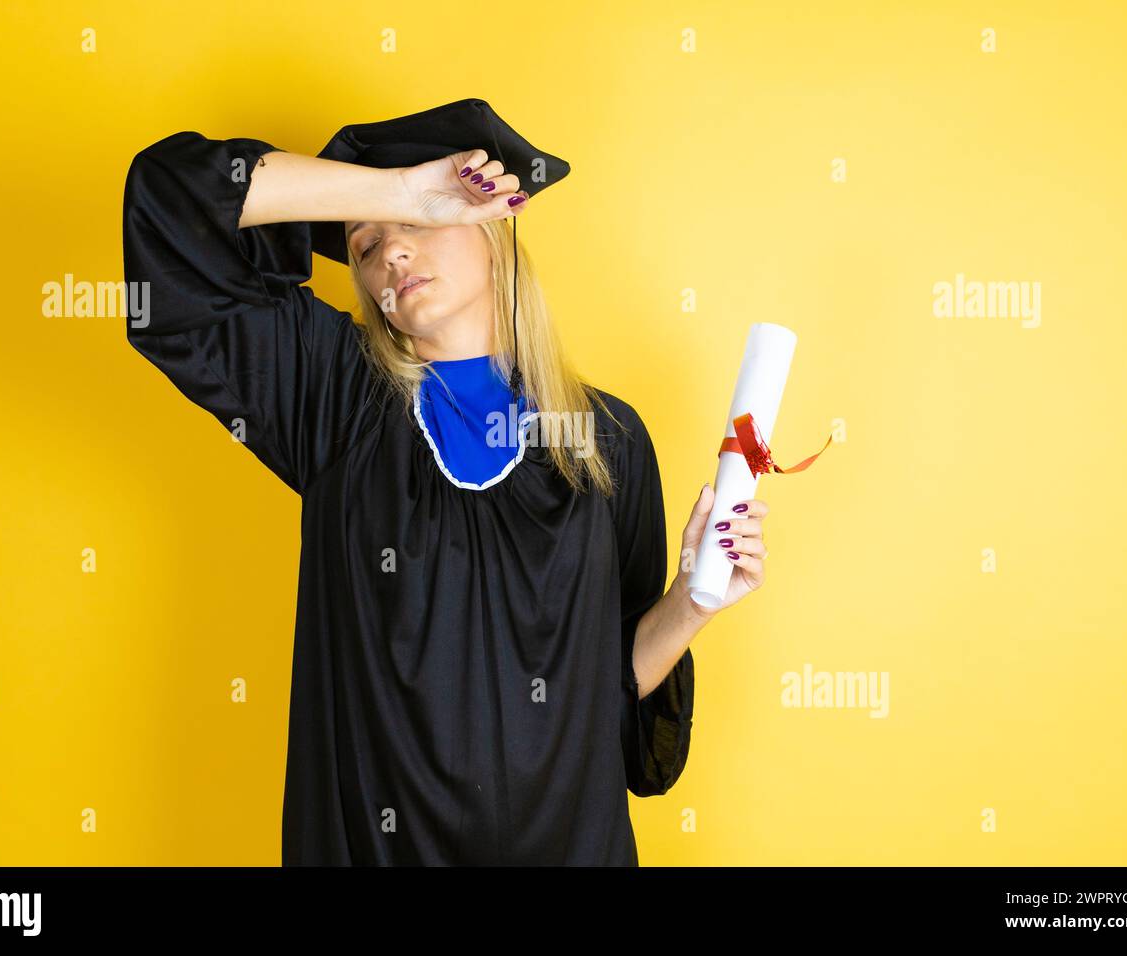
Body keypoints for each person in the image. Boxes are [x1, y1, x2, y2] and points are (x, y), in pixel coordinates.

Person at [120, 105, 770, 866]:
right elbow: (166, 197)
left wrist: (691, 602)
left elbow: (606, 697)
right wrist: (399, 195)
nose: (391, 251)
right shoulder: (333, 397)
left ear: (496, 233)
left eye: (424, 230)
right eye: (365, 246)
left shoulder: (605, 442)